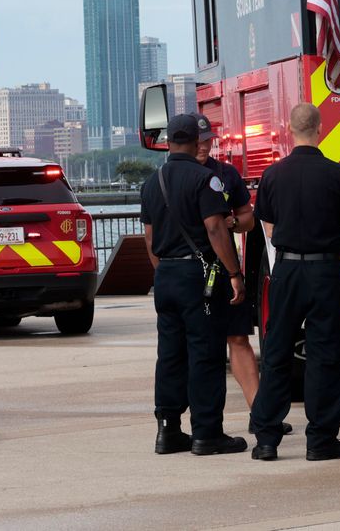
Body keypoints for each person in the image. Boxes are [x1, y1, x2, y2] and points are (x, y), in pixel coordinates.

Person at [249, 104, 340, 462]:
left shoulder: (272, 175)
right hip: (325, 270)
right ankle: (321, 439)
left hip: (285, 271)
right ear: (320, 128)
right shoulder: (337, 174)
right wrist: (324, 252)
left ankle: (266, 439)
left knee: (277, 352)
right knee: (325, 354)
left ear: (289, 129)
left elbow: (268, 229)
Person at [141, 114, 248, 456]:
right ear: (194, 141)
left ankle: (168, 430)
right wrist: (234, 273)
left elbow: (149, 237)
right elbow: (215, 229)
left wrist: (162, 270)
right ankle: (206, 433)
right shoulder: (205, 180)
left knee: (170, 355)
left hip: (166, 276)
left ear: (169, 141)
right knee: (205, 352)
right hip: (198, 277)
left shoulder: (152, 182)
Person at [189, 113, 293, 438]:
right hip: (192, 272)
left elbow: (248, 218)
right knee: (201, 348)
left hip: (224, 269)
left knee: (239, 340)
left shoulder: (226, 174)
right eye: (198, 141)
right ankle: (204, 426)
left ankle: (261, 415)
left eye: (208, 140)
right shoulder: (177, 176)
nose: (205, 146)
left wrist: (232, 224)